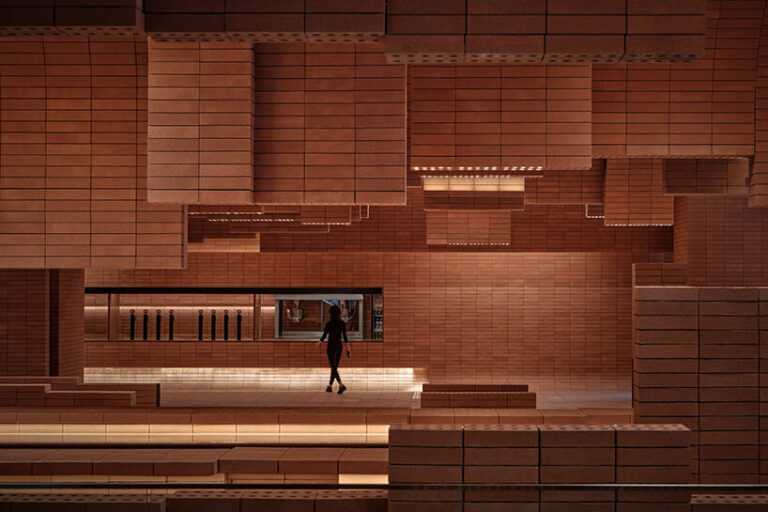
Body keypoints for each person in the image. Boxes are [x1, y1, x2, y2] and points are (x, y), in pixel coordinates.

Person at [316, 305, 351, 394]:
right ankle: (329, 386)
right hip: (339, 346)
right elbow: (345, 337)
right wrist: (348, 349)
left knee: (333, 366)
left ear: (331, 313)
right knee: (334, 367)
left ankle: (341, 385)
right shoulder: (342, 323)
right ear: (339, 313)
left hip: (331, 346)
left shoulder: (329, 324)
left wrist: (319, 342)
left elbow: (324, 336)